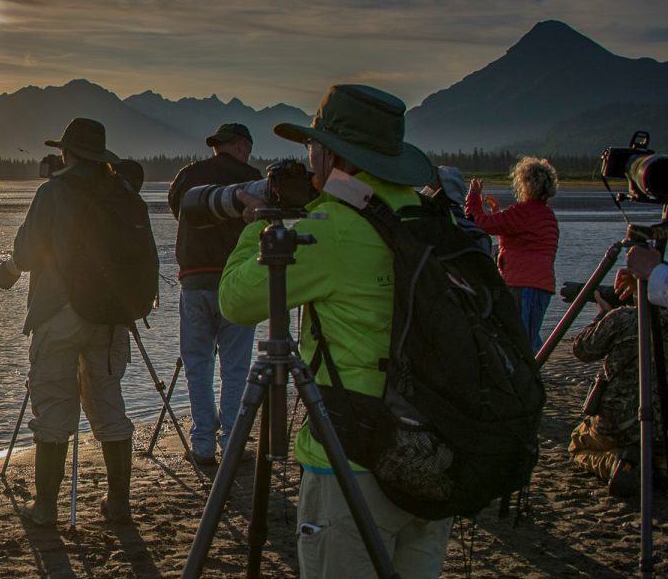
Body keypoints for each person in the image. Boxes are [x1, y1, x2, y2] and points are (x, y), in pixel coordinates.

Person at [220, 84, 451, 578]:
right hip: (434, 449)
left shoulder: (334, 230)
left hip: (353, 455)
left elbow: (236, 300)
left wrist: (255, 225)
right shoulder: (428, 216)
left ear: (329, 152)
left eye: (311, 148)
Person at [6, 117, 137, 526]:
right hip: (111, 316)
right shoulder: (121, 192)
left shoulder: (52, 193)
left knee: (54, 411)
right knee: (109, 405)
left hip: (58, 314)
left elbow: (27, 254)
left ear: (67, 153)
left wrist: (7, 269)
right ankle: (118, 503)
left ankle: (45, 508)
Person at [167, 123, 262, 465]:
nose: (248, 154)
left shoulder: (188, 175)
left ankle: (203, 445)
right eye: (247, 148)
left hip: (193, 281)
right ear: (239, 145)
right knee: (235, 368)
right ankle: (232, 444)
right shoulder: (251, 179)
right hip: (236, 282)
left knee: (198, 365)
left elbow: (177, 210)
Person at [569, 289, 667, 495]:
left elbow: (582, 349)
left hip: (619, 422)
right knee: (657, 447)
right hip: (663, 428)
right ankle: (657, 465)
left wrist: (602, 314)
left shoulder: (624, 318)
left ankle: (615, 462)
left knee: (577, 443)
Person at [465, 157, 560, 351]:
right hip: (539, 284)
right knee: (526, 335)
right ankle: (533, 374)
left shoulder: (523, 212)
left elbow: (481, 223)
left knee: (522, 339)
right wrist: (496, 212)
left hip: (524, 284)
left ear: (525, 184)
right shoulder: (546, 214)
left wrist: (473, 197)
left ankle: (531, 378)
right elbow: (520, 238)